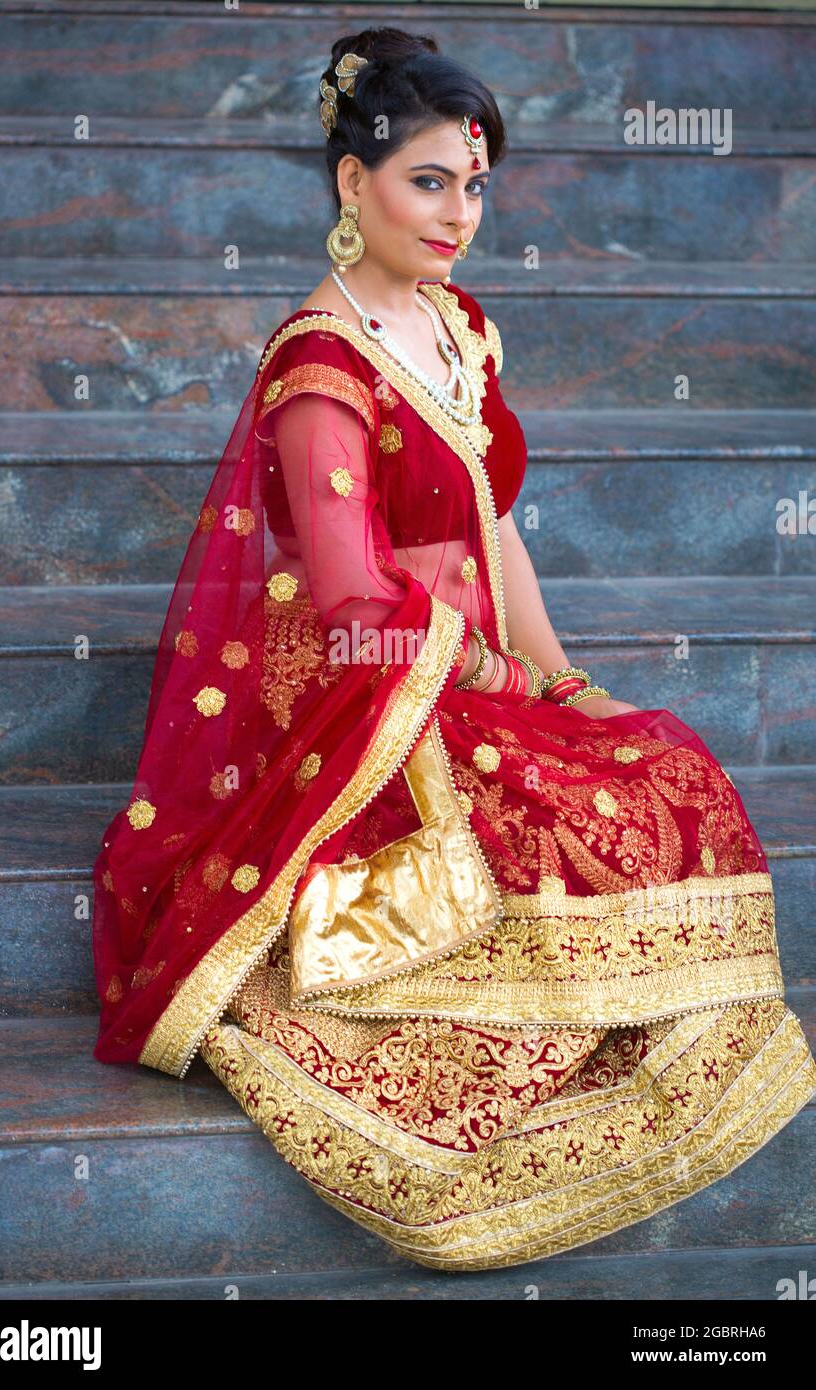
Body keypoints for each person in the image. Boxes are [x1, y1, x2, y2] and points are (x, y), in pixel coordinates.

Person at [91, 27, 816, 1273]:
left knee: (658, 761)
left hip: (459, 670)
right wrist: (488, 677)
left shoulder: (456, 328)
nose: (459, 214)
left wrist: (563, 676)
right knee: (560, 822)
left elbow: (496, 532)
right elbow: (346, 601)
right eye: (428, 181)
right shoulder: (322, 371)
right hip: (369, 703)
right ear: (348, 184)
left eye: (474, 186)